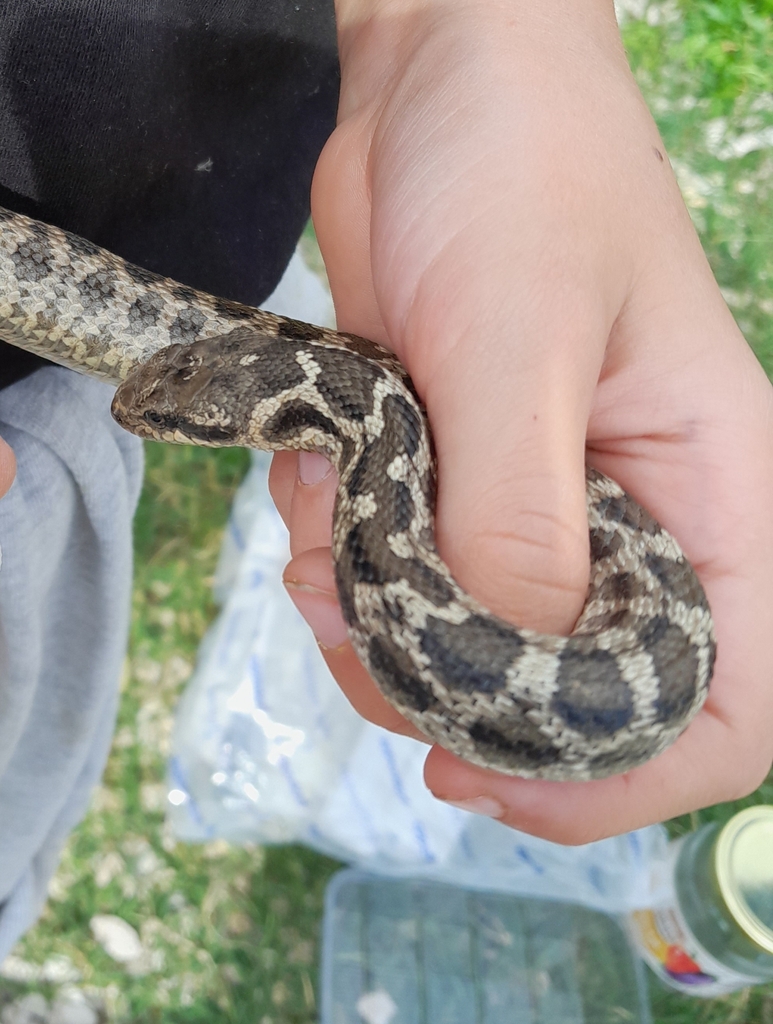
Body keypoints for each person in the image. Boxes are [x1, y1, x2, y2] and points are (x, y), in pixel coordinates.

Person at [0, 0, 772, 956]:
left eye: (170, 422)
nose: (147, 417)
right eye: (170, 421)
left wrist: (460, 32)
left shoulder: (351, 411)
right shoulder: (315, 403)